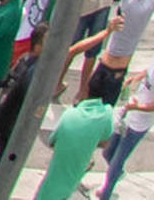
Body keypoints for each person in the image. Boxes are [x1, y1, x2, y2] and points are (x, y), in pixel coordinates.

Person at [100, 18, 154, 200]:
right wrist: (137, 78)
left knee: (116, 162)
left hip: (139, 122)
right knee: (108, 152)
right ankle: (116, 173)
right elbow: (151, 69)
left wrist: (138, 107)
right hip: (131, 110)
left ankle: (105, 195)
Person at [29, 70, 116, 200]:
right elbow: (105, 142)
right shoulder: (107, 114)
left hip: (58, 167)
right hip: (77, 168)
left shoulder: (70, 113)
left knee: (47, 191)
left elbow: (52, 141)